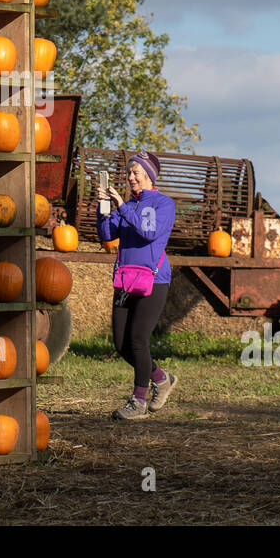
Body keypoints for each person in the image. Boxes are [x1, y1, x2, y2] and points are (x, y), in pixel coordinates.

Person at [98, 151, 177, 420]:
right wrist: (103, 208)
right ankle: (161, 378)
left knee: (138, 340)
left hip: (153, 281)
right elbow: (107, 234)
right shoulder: (128, 204)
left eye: (136, 172)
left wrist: (122, 207)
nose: (130, 177)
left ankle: (138, 402)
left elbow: (148, 231)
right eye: (129, 172)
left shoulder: (163, 204)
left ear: (149, 176)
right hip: (125, 280)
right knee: (122, 345)